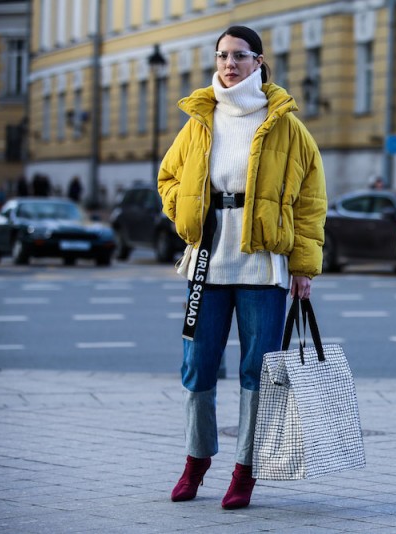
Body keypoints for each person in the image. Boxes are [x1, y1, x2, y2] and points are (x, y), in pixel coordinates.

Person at [157, 25, 326, 509]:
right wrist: (188, 212)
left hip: (262, 268)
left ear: (258, 62)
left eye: (239, 56)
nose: (229, 64)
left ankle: (244, 469)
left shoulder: (286, 125)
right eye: (222, 56)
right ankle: (196, 460)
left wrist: (303, 267)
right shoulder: (200, 120)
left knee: (258, 371)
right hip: (207, 262)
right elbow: (169, 177)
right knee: (198, 367)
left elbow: (311, 202)